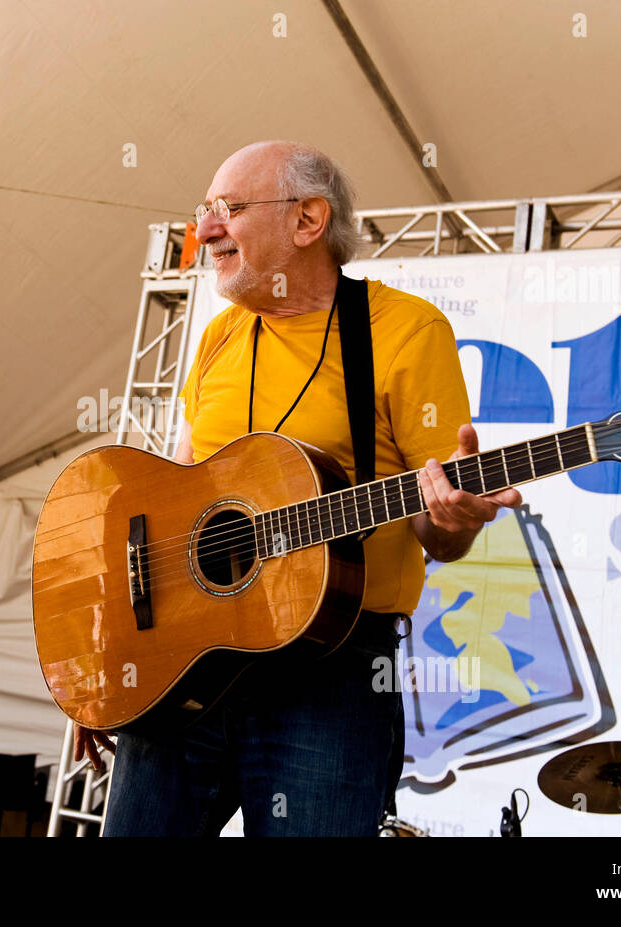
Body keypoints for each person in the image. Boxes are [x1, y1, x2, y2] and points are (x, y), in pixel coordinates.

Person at [79, 140, 521, 836]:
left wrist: (457, 518)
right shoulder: (221, 336)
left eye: (228, 208)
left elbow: (438, 527)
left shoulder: (404, 330)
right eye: (203, 213)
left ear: (308, 220)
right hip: (187, 665)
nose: (205, 230)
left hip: (331, 674)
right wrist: (112, 656)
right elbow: (164, 506)